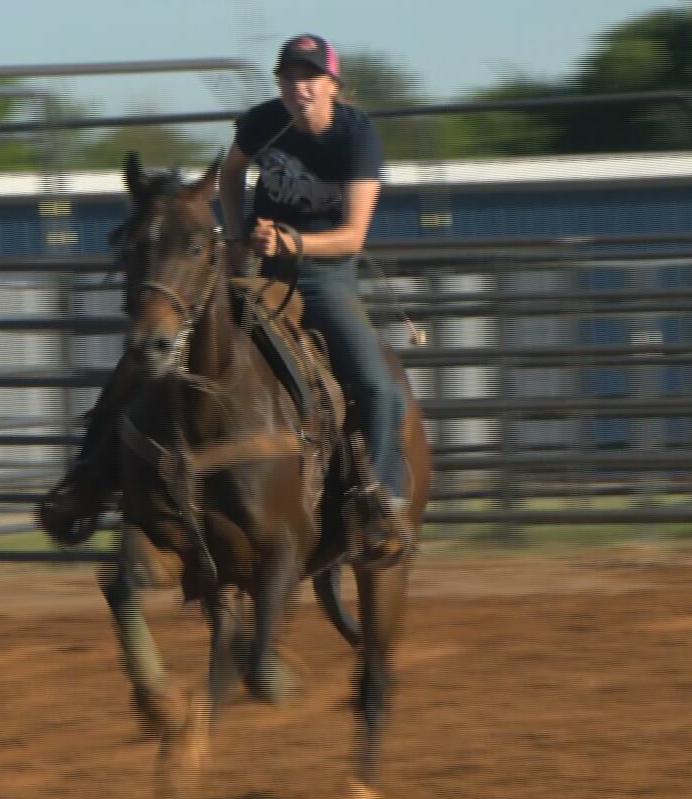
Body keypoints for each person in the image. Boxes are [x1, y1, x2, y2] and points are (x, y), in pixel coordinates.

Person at [37, 33, 413, 564]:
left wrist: (294, 241)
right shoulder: (263, 121)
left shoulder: (356, 138)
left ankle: (378, 502)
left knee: (378, 385)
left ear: (333, 84)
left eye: (309, 78)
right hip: (256, 265)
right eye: (288, 77)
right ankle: (87, 481)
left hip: (324, 272)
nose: (298, 87)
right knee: (146, 354)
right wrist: (236, 238)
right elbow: (232, 172)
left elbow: (353, 235)